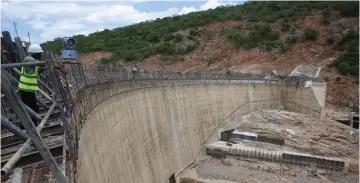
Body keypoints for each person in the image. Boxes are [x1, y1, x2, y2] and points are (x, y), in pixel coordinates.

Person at [18, 44, 46, 129]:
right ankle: (26, 127)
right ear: (35, 53)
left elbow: (38, 70)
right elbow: (40, 64)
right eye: (39, 54)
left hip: (29, 90)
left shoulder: (33, 63)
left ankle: (33, 126)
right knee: (29, 109)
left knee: (34, 108)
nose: (40, 55)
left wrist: (44, 68)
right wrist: (44, 63)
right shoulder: (28, 59)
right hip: (25, 89)